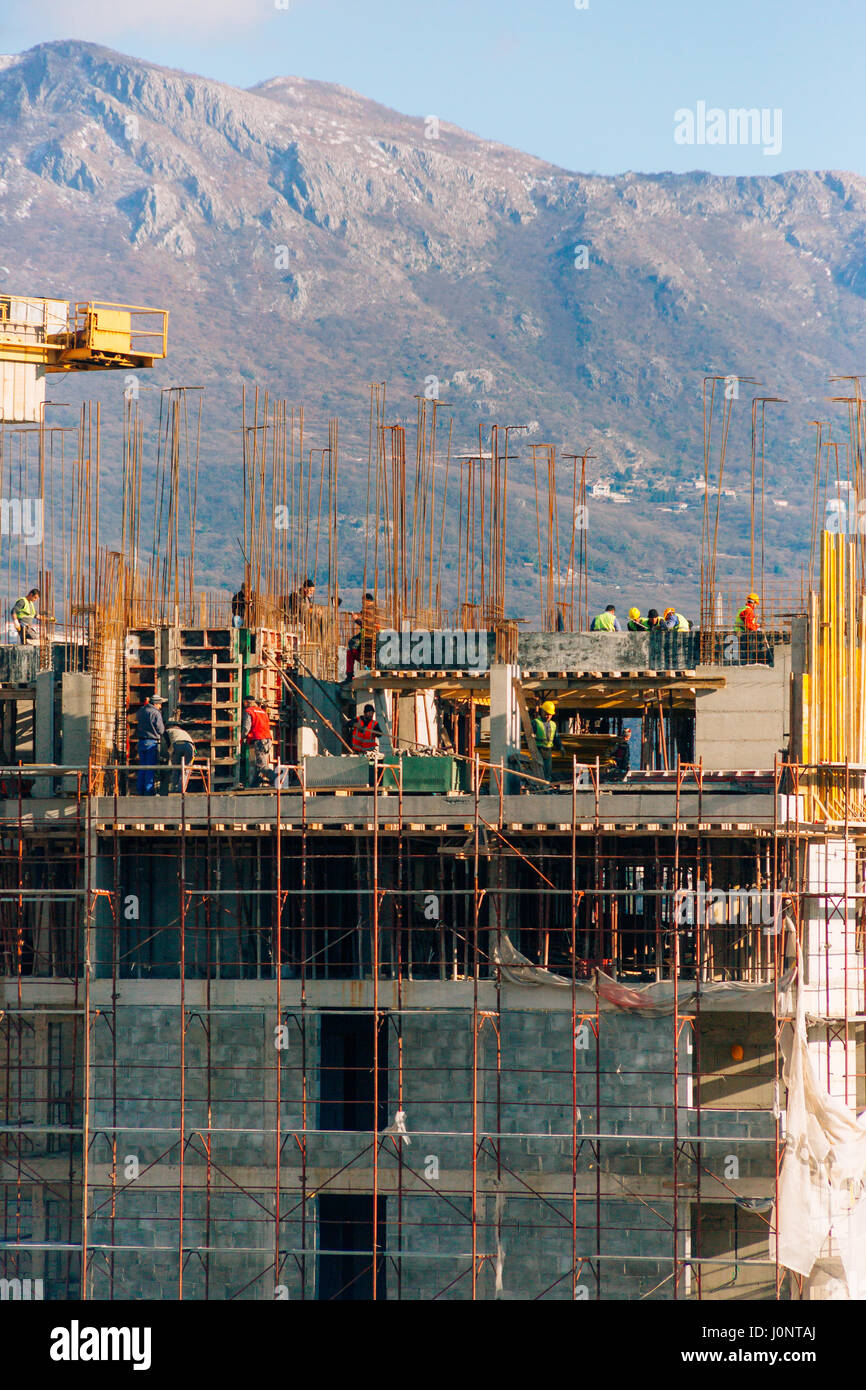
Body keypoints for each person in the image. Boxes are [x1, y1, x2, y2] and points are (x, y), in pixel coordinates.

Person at [242, 696, 277, 787]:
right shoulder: (263, 712)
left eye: (244, 702)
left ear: (247, 702)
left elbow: (246, 727)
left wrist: (242, 737)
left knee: (261, 766)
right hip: (268, 740)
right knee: (259, 764)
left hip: (259, 740)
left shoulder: (249, 711)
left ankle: (276, 778)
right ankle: (254, 785)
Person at [136, 695, 165, 795]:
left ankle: (140, 791)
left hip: (141, 742)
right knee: (150, 769)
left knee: (142, 768)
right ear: (155, 703)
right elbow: (161, 730)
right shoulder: (156, 713)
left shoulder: (141, 710)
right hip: (151, 743)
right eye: (160, 704)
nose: (160, 706)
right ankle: (149, 793)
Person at [532, 700, 561, 783]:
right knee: (538, 769)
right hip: (538, 749)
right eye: (547, 713)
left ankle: (546, 785)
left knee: (547, 770)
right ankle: (538, 785)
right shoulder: (536, 722)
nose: (548, 716)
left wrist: (560, 747)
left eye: (550, 714)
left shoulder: (553, 724)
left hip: (548, 750)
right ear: (542, 712)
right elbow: (529, 737)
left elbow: (556, 738)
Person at [164, 716, 195, 792]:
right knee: (186, 769)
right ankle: (181, 790)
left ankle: (174, 788)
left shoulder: (167, 731)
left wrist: (169, 755)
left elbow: (167, 744)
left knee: (176, 768)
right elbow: (193, 746)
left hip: (176, 745)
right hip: (189, 746)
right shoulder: (183, 732)